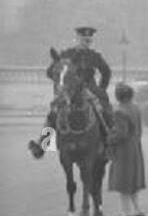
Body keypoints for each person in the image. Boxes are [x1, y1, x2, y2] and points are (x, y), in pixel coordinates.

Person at [29, 25, 113, 158]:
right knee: (53, 113)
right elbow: (50, 71)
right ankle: (43, 145)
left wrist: (101, 88)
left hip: (89, 89)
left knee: (104, 110)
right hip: (69, 91)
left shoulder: (95, 56)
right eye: (84, 40)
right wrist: (61, 82)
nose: (86, 43)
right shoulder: (66, 54)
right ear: (76, 39)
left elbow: (106, 72)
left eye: (89, 41)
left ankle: (109, 143)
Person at [107, 82, 146, 216]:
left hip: (124, 151)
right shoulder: (136, 108)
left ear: (118, 97)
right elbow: (139, 130)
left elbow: (120, 134)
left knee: (123, 183)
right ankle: (137, 210)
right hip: (135, 147)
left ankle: (125, 214)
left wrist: (109, 138)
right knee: (133, 182)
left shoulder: (119, 112)